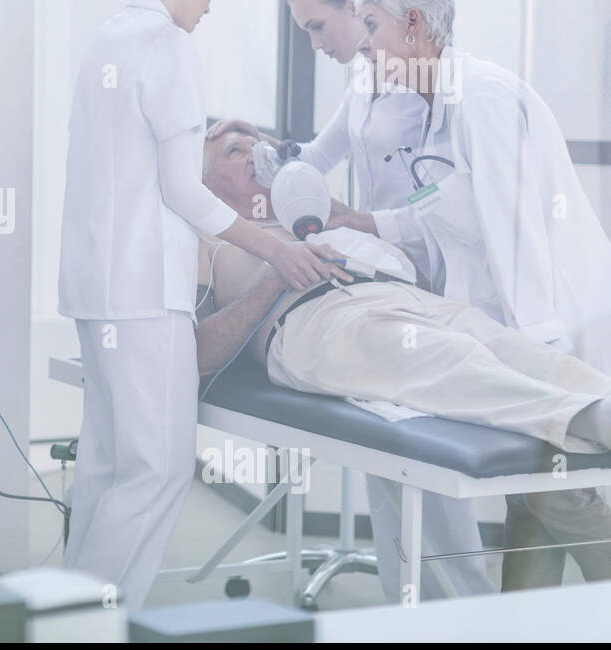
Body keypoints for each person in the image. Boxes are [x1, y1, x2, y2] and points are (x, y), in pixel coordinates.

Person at [57, 0, 341, 605]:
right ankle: (91, 623)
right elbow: (182, 187)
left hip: (95, 287)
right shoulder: (169, 44)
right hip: (145, 291)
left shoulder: (106, 40)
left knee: (104, 466)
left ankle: (63, 616)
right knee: (155, 470)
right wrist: (275, 247)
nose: (212, 4)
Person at [198, 128, 611, 597]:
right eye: (234, 149)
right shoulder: (206, 243)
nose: (255, 151)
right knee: (451, 361)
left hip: (406, 298)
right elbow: (199, 354)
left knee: (519, 352)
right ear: (203, 183)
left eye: (259, 142)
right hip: (320, 320)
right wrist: (278, 276)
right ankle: (590, 418)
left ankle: (597, 403)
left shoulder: (311, 214)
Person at [207, 0, 490, 600]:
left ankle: (468, 603)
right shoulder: (362, 86)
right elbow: (314, 157)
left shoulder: (427, 84)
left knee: (431, 452)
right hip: (383, 265)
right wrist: (258, 153)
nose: (315, 43)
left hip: (433, 266)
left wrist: (368, 220)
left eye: (317, 27)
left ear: (353, 10)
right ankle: (403, 606)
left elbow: (444, 193)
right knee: (385, 465)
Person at [326, 0, 611, 590]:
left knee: (558, 497)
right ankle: (514, 641)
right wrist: (364, 223)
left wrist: (536, 346)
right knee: (533, 500)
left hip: (546, 325)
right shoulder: (432, 107)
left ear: (415, 24)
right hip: (502, 328)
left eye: (370, 26)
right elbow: (446, 217)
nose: (362, 44)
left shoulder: (479, 98)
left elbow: (516, 235)